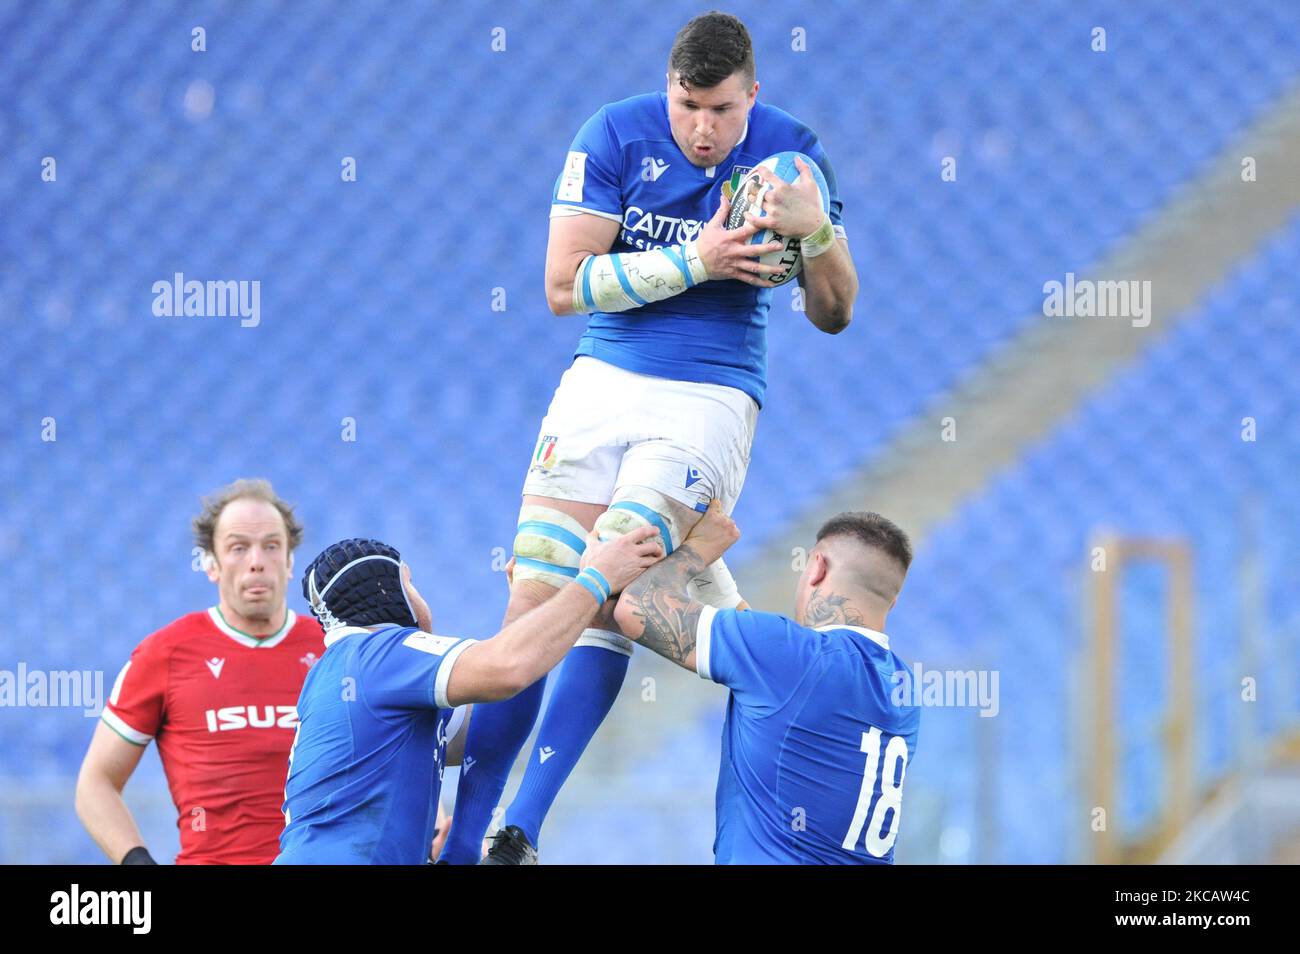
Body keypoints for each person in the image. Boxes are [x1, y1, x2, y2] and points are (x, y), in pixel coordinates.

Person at [442, 10, 859, 865]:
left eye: (723, 111)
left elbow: (835, 311)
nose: (704, 129)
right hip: (598, 388)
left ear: (755, 97)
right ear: (669, 89)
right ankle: (462, 841)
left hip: (707, 398)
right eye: (688, 106)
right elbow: (564, 286)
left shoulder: (792, 155)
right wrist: (696, 261)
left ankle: (521, 827)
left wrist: (814, 228)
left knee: (606, 583)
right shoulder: (613, 134)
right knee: (532, 602)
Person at [277, 526, 662, 864]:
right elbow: (508, 668)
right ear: (388, 590)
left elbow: (491, 728)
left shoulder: (346, 673)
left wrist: (529, 610)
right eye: (410, 583)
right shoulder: (380, 652)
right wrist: (597, 580)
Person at [614, 501, 920, 864]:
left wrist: (702, 547)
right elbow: (767, 666)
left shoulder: (793, 655)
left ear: (817, 568)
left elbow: (636, 608)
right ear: (893, 599)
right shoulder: (902, 689)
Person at [75, 479, 325, 864]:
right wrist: (138, 862)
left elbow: (395, 746)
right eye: (238, 547)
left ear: (290, 561)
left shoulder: (333, 650)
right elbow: (96, 783)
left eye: (272, 546)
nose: (257, 560)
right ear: (211, 563)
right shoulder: (165, 654)